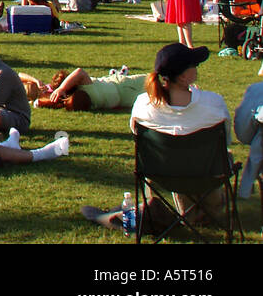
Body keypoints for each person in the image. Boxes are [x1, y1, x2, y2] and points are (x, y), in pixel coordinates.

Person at [83, 44, 231, 232]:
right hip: (206, 172)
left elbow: (139, 139)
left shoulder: (144, 105)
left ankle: (173, 213)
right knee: (207, 158)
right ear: (185, 76)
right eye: (195, 65)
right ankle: (205, 212)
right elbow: (225, 141)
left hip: (161, 173)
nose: (197, 69)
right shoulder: (213, 103)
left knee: (180, 159)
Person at [35, 66, 145, 111]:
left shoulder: (84, 88)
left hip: (121, 87)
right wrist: (61, 89)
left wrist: (61, 89)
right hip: (123, 88)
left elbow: (79, 72)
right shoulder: (83, 93)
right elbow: (79, 71)